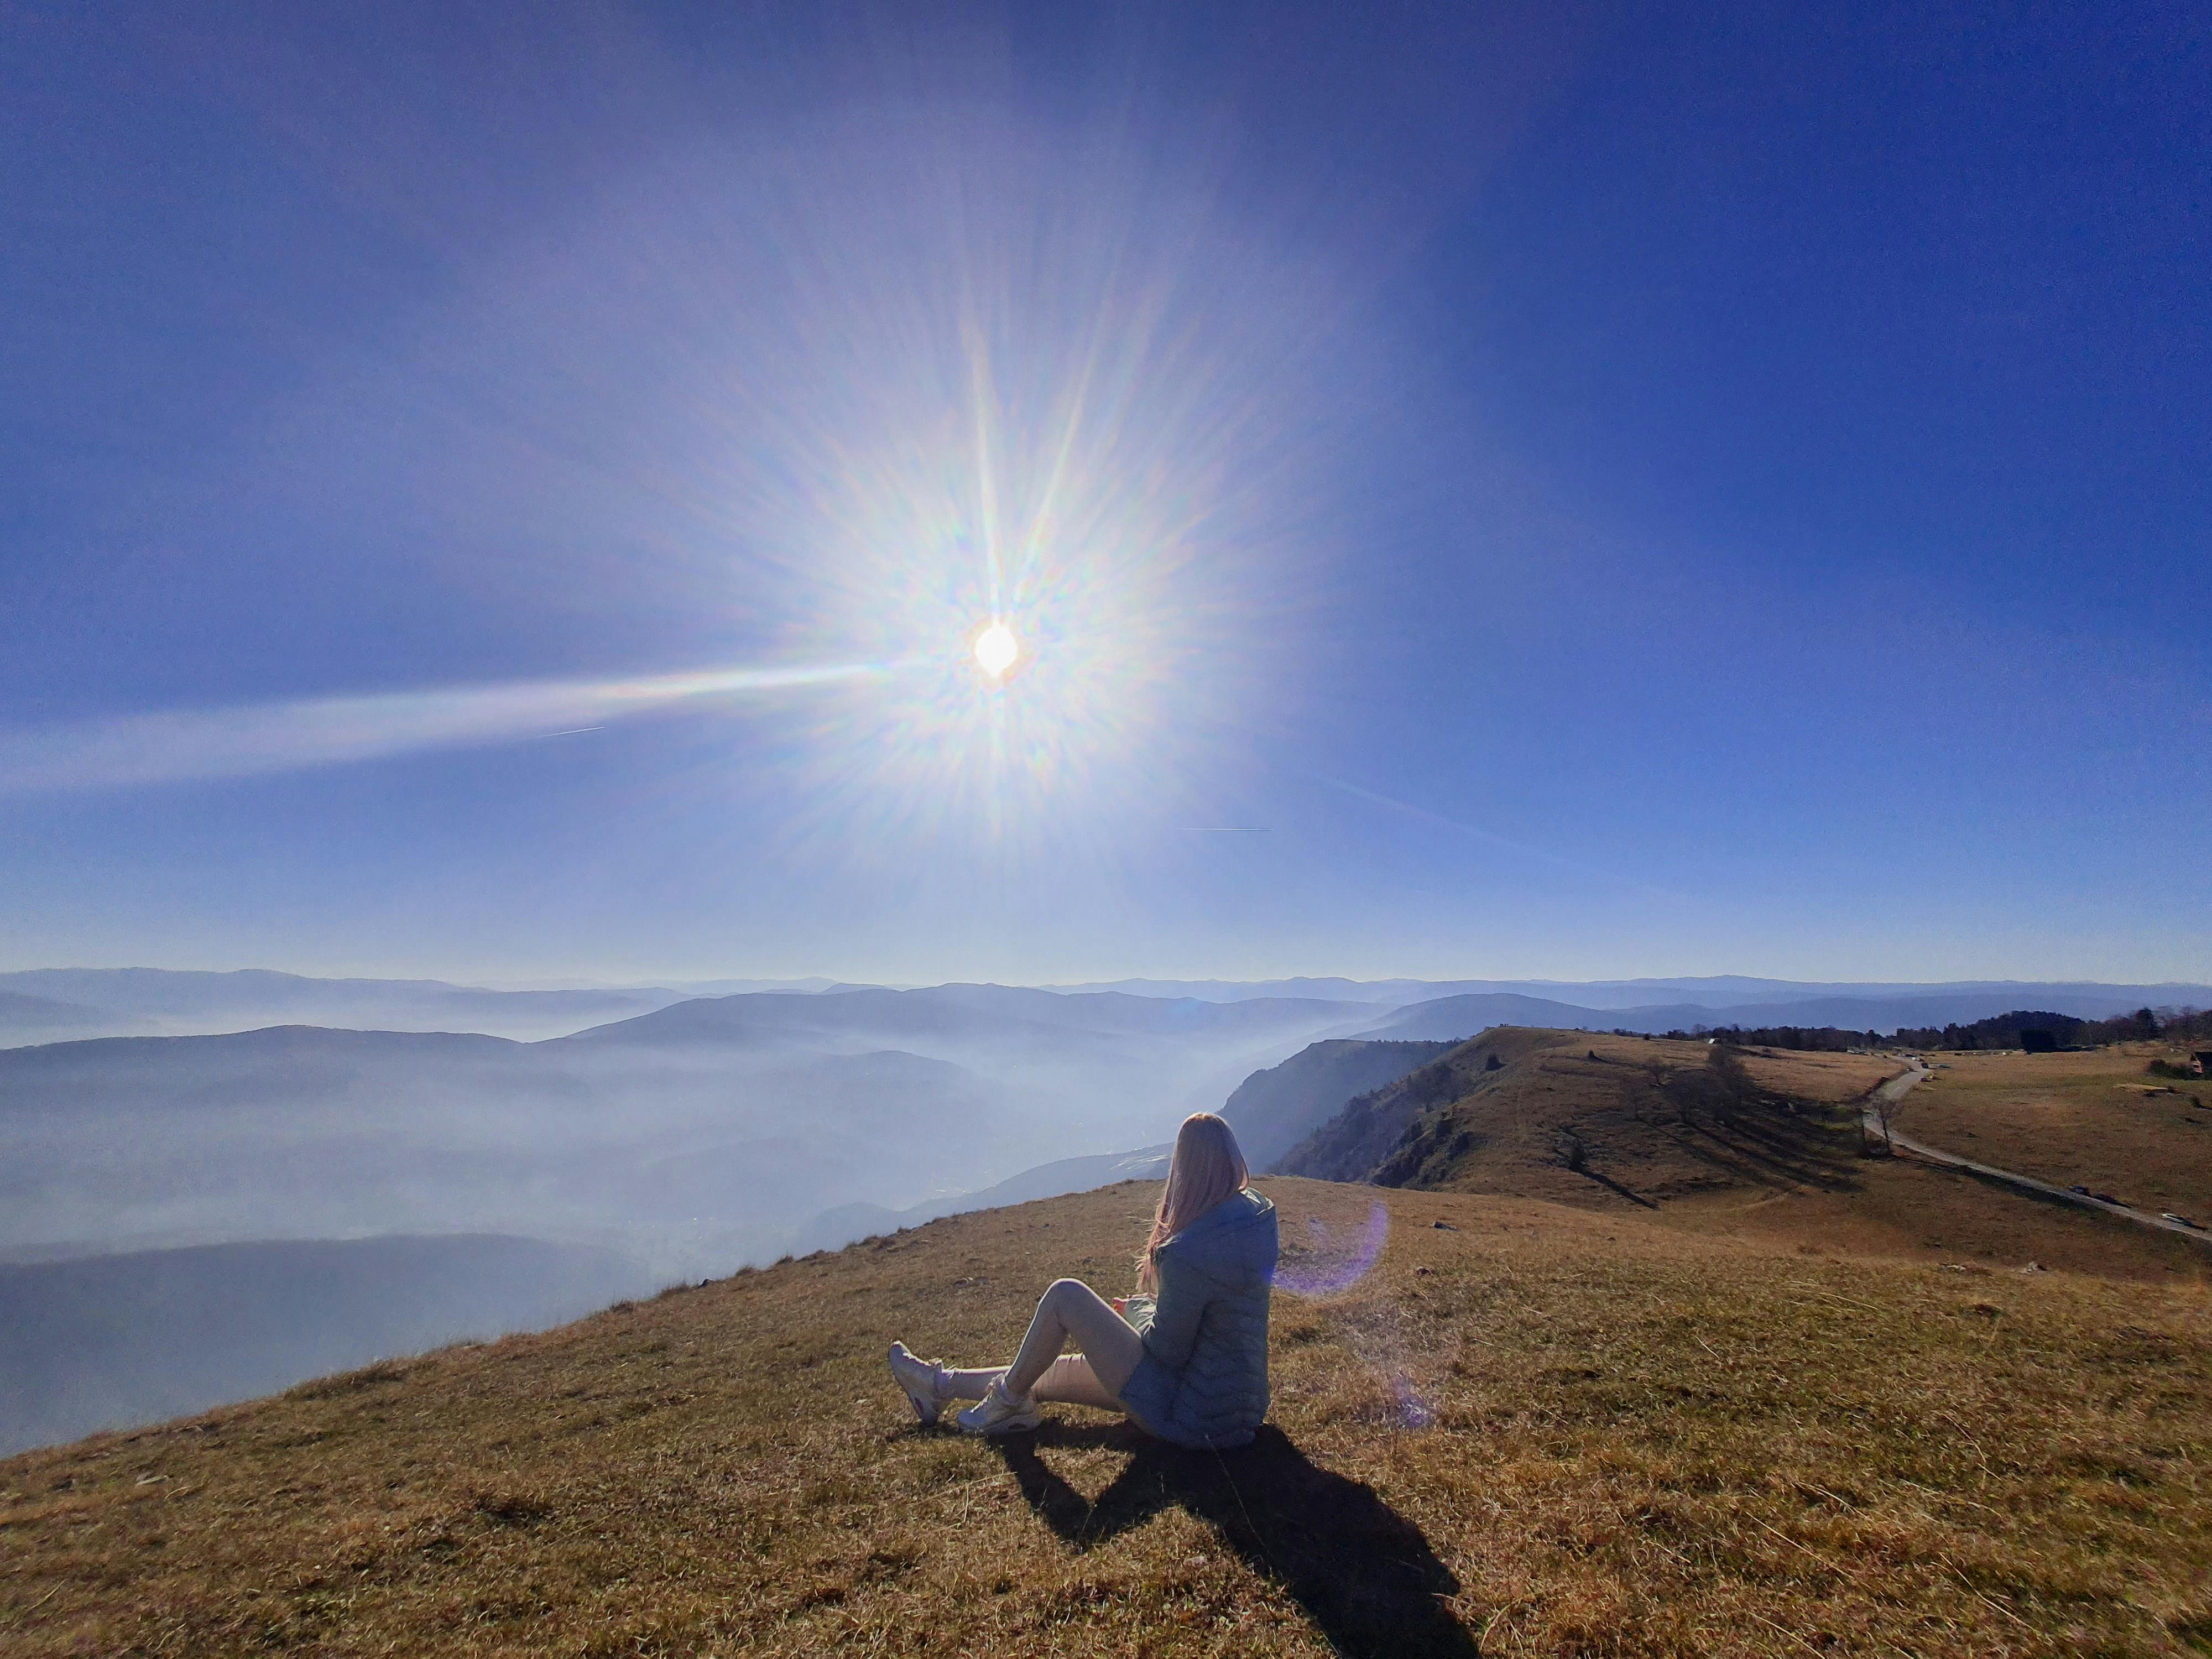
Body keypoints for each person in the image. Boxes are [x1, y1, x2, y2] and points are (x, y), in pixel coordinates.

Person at [888, 1112, 1278, 1448]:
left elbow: (1168, 1350)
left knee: (1065, 1296)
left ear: (1184, 1169)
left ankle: (1004, 1402)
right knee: (1046, 1373)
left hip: (1193, 1415)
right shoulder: (1259, 1218)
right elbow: (1210, 1319)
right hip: (1239, 1406)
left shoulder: (1188, 1250)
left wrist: (1138, 1310)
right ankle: (939, 1386)